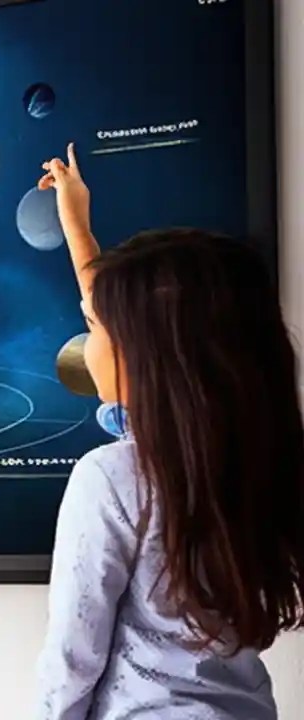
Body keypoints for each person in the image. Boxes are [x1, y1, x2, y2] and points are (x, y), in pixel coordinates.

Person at [32, 143, 304, 719]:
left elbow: (71, 661)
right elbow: (142, 327)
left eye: (94, 328)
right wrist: (77, 227)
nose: (88, 342)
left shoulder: (112, 480)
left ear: (145, 358)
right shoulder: (250, 455)